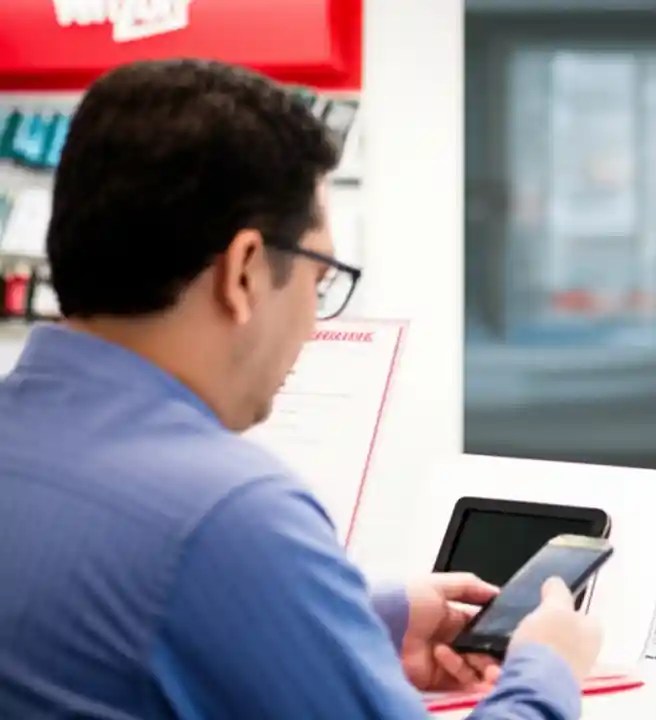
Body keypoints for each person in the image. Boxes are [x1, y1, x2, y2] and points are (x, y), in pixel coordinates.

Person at [0, 59, 600, 718]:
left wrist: (353, 620)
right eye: (320, 280)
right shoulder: (228, 514)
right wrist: (547, 672)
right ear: (246, 272)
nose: (317, 319)